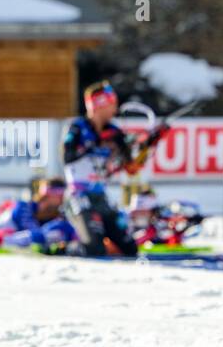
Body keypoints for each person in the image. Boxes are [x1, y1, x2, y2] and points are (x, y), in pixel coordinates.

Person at [61, 81, 158, 257]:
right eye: (112, 103)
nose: (115, 109)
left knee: (130, 249)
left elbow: (131, 168)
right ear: (99, 105)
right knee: (94, 249)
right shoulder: (77, 128)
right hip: (79, 198)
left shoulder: (114, 132)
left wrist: (148, 146)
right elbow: (67, 157)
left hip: (101, 198)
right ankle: (62, 247)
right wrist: (95, 143)